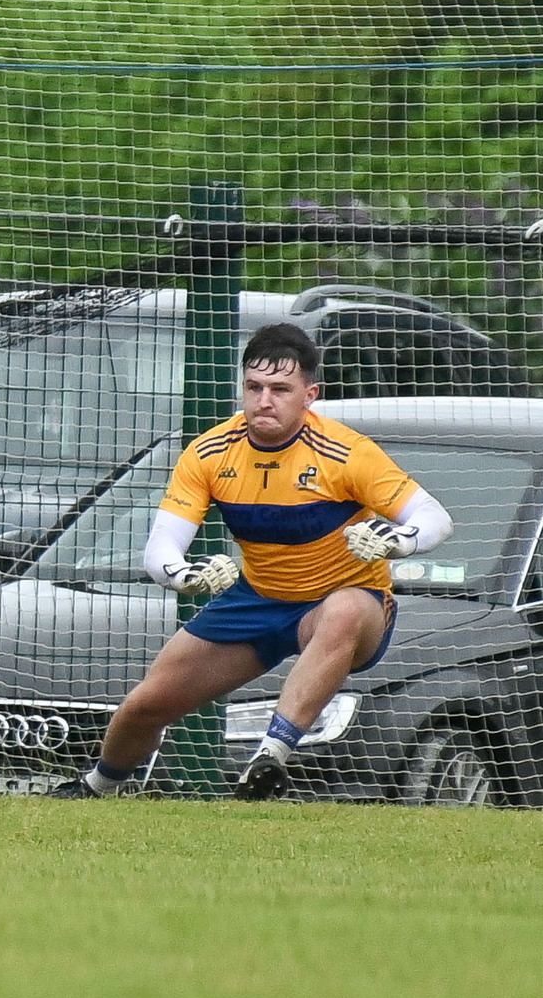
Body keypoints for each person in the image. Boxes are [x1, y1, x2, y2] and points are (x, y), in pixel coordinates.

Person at [52, 323, 453, 801]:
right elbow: (161, 549)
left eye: (280, 389)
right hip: (258, 598)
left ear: (309, 395)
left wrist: (396, 541)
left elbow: (434, 519)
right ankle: (94, 788)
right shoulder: (208, 453)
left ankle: (270, 757)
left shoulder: (346, 453)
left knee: (344, 608)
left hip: (347, 604)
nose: (264, 400)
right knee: (146, 705)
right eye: (254, 387)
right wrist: (186, 575)